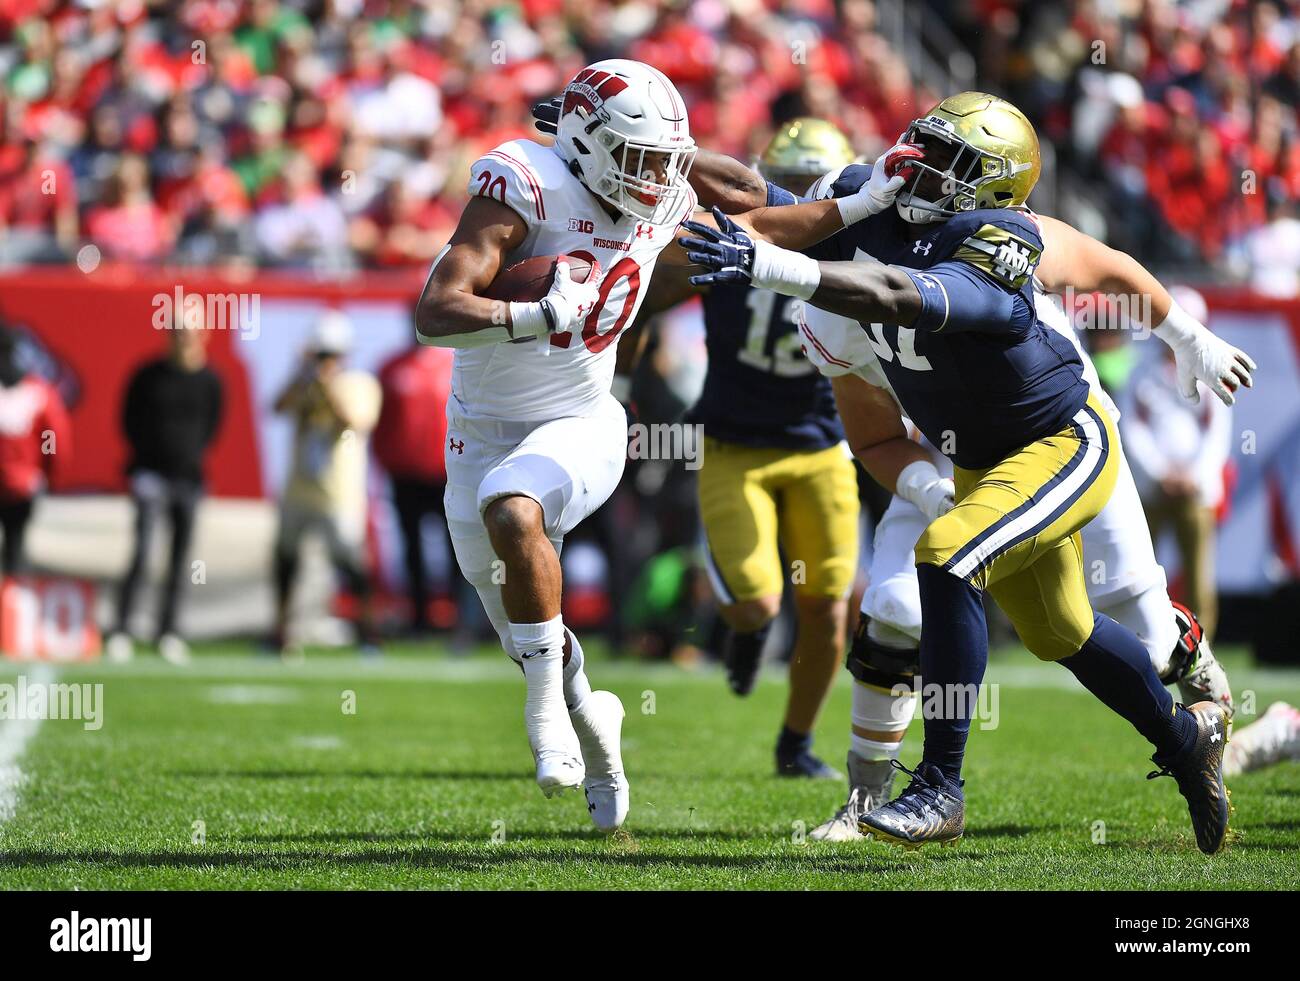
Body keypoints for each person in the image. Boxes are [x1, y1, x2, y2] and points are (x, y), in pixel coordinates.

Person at [683, 92, 1254, 853]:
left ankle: (940, 786)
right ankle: (1186, 742)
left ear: (990, 184)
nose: (916, 166)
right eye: (919, 144)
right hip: (978, 458)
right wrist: (666, 156)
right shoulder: (874, 197)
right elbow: (762, 198)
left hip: (1059, 440)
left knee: (948, 552)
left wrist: (1187, 334)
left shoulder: (997, 239)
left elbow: (900, 292)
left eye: (945, 160)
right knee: (1065, 632)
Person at [417, 59, 899, 830]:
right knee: (522, 622)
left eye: (661, 159)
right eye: (638, 157)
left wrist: (862, 201)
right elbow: (434, 309)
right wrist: (529, 314)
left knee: (512, 511)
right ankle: (592, 721)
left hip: (583, 416)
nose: (652, 176)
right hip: (477, 431)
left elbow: (756, 207)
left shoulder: (662, 190)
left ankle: (544, 719)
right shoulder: (524, 183)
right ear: (582, 140)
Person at [629, 119, 861, 778]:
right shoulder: (727, 234)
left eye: (803, 186)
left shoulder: (856, 245)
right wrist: (621, 379)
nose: (789, 198)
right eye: (779, 183)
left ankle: (796, 742)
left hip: (821, 443)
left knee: (825, 605)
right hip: (735, 442)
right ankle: (746, 632)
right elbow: (648, 292)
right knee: (757, 600)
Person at [106, 320, 224, 665]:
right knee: (142, 553)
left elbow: (213, 426)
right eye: (177, 330)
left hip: (188, 478)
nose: (183, 337)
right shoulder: (147, 375)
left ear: (204, 334)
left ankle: (169, 630)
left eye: (189, 330)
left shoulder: (210, 380)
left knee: (180, 559)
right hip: (150, 475)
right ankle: (123, 629)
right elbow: (127, 419)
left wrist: (188, 457)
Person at [1122, 287, 1232, 641]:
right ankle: (1142, 639)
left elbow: (1218, 433)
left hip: (1195, 491)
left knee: (1199, 572)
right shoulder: (1142, 371)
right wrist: (1159, 472)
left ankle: (1201, 646)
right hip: (1153, 490)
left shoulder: (1211, 373)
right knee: (1139, 569)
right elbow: (1130, 427)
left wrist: (1194, 476)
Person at [271, 311, 382, 658]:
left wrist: (327, 385)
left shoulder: (360, 384)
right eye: (319, 355)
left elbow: (354, 420)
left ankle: (368, 633)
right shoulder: (301, 384)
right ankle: (281, 632)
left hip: (339, 492)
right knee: (286, 561)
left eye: (329, 355)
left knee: (351, 565)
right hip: (300, 490)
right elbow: (276, 407)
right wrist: (300, 375)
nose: (323, 362)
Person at [373, 321, 456, 634]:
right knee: (411, 548)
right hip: (405, 475)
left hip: (446, 475)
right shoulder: (392, 367)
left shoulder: (454, 363)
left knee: (457, 547)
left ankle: (460, 616)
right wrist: (386, 460)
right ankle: (419, 616)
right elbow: (381, 422)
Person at [0, 325, 70, 575]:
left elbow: (52, 439)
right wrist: (50, 476)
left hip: (21, 484)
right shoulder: (39, 393)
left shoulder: (38, 393)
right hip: (24, 484)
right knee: (15, 553)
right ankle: (13, 605)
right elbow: (53, 439)